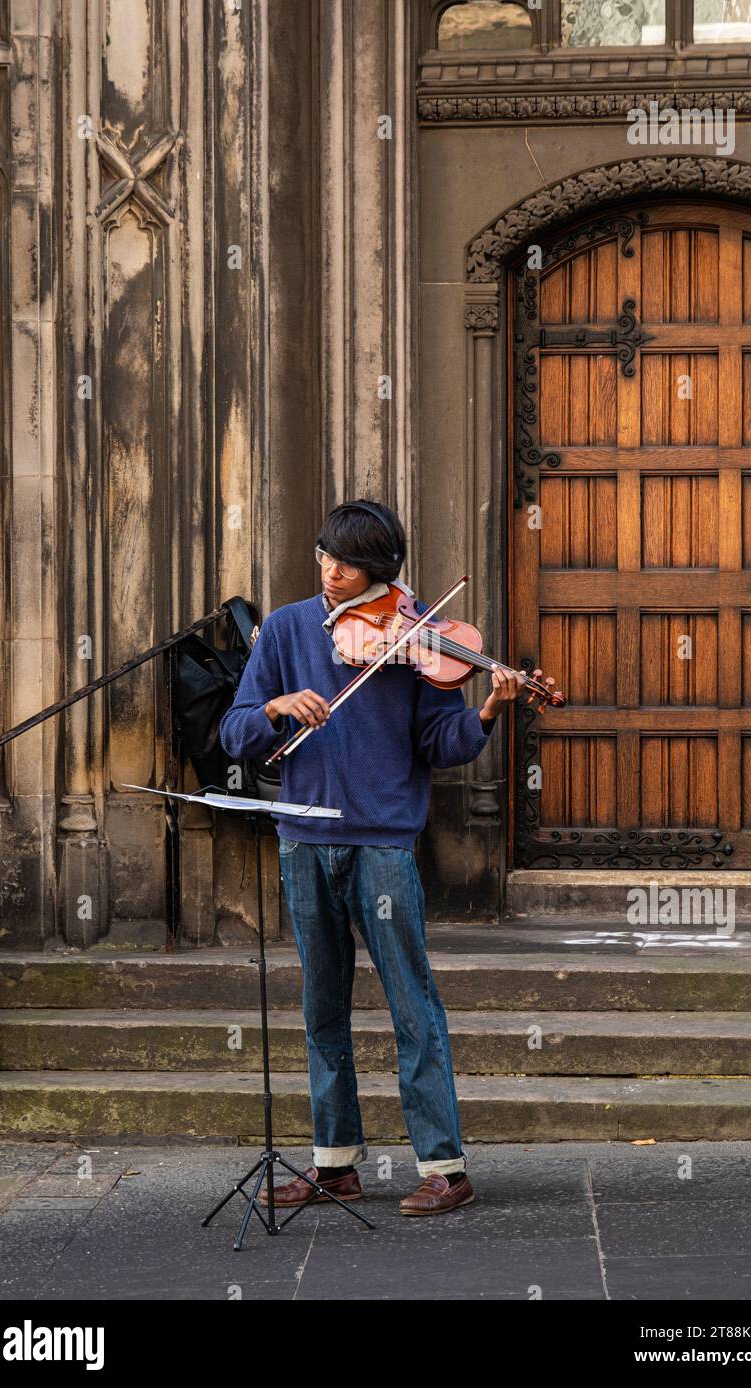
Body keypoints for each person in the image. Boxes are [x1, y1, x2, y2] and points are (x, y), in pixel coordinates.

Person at [219, 500, 524, 1216]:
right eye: (324, 556)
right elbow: (235, 729)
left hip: (382, 841)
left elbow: (441, 745)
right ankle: (335, 1164)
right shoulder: (288, 629)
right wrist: (275, 709)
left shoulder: (419, 636)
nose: (330, 572)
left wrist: (485, 713)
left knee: (410, 1000)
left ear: (380, 572)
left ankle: (445, 1167)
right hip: (303, 840)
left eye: (347, 564)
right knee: (321, 1004)